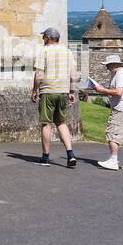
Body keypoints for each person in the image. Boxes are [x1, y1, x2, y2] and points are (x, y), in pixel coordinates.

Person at [30, 27, 78, 167]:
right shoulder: (68, 52)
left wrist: (34, 90)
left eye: (43, 37)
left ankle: (45, 158)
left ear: (48, 38)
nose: (42, 39)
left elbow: (39, 75)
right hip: (63, 91)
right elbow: (73, 75)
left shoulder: (43, 51)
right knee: (61, 122)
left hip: (48, 91)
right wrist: (71, 92)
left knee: (46, 124)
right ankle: (70, 155)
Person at [92, 54, 123, 172]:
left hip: (121, 109)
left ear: (112, 65)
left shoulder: (121, 74)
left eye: (108, 66)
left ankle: (113, 160)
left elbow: (119, 92)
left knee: (113, 134)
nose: (107, 69)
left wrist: (102, 90)